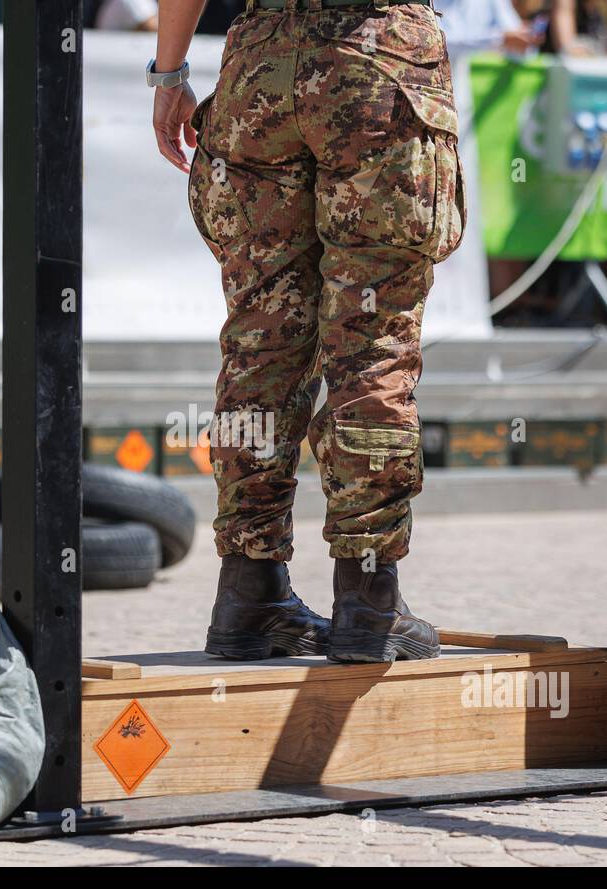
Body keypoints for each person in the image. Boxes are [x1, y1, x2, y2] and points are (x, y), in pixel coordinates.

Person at [151, 0, 465, 664]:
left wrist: (170, 73)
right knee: (372, 342)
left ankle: (248, 589)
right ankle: (368, 598)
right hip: (378, 60)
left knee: (259, 342)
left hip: (258, 68)